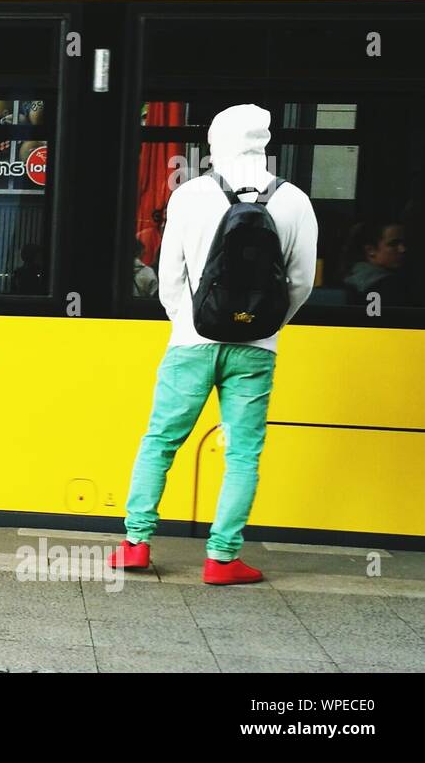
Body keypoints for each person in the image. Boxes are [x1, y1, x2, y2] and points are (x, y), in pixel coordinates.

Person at [110, 104, 318, 585]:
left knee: (161, 441)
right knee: (243, 453)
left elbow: (169, 279)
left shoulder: (191, 195)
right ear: (264, 143)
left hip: (191, 341)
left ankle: (136, 546)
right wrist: (266, 325)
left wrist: (189, 323)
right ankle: (222, 559)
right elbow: (301, 281)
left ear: (215, 142)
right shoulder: (295, 201)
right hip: (257, 348)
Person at [343, 219, 415, 307]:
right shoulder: (392, 287)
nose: (402, 249)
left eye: (404, 243)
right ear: (371, 250)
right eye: (393, 244)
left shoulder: (350, 281)